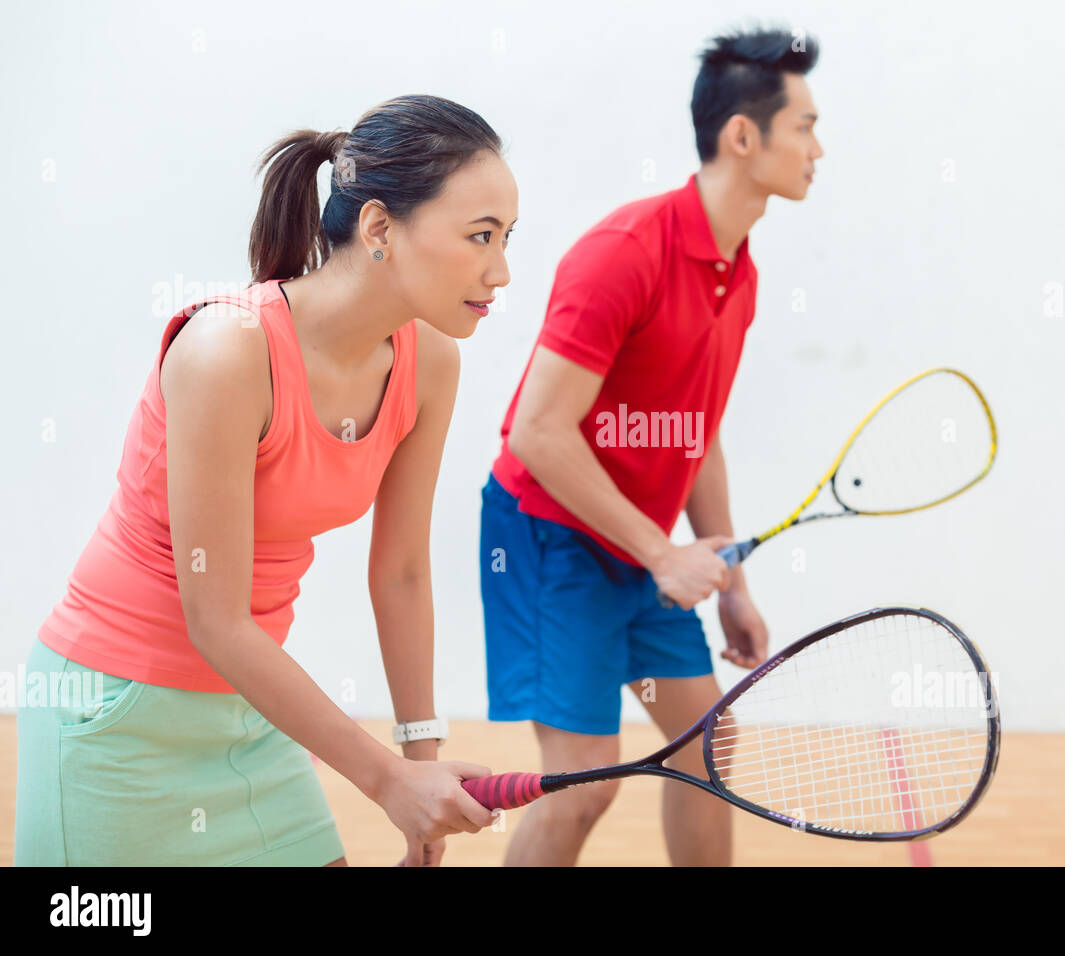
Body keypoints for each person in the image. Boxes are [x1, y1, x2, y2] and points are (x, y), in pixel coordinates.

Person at [14, 94, 515, 867]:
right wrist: (384, 781)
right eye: (481, 237)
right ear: (380, 227)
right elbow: (214, 619)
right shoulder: (228, 351)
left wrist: (419, 757)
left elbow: (405, 573)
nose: (502, 271)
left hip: (254, 703)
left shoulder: (430, 362)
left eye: (508, 238)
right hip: (115, 711)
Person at [479, 27, 823, 865]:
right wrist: (663, 556)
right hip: (548, 536)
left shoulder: (736, 272)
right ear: (744, 136)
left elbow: (696, 435)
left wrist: (732, 587)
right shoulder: (624, 254)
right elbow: (538, 430)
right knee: (584, 782)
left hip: (638, 550)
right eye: (806, 126)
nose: (820, 147)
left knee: (707, 749)